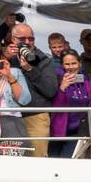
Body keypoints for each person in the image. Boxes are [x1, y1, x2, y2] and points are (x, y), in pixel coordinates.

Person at [9, 23, 57, 156]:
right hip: (8, 117)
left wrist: (30, 69)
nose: (27, 42)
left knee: (37, 160)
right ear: (13, 40)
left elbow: (50, 90)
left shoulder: (43, 60)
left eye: (31, 39)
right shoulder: (6, 56)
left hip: (35, 116)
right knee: (11, 160)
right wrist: (5, 56)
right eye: (22, 39)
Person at [0, 34, 29, 154]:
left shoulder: (14, 72)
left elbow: (25, 100)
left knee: (14, 163)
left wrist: (9, 76)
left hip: (11, 120)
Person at [50, 51, 91, 156]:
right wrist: (62, 89)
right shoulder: (56, 78)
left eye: (73, 63)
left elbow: (90, 103)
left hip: (78, 130)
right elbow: (55, 106)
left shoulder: (86, 81)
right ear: (62, 65)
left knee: (69, 160)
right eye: (67, 64)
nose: (70, 67)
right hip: (58, 130)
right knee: (53, 161)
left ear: (80, 63)